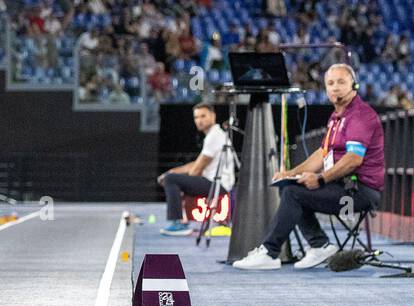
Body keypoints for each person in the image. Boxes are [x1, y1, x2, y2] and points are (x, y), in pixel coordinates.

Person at [234, 64, 384, 270]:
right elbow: (323, 154)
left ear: (354, 85)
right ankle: (319, 245)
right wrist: (291, 173)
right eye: (330, 83)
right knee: (290, 186)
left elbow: (353, 160)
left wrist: (321, 179)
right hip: (343, 186)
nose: (335, 88)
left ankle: (270, 252)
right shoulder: (337, 116)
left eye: (341, 82)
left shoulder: (360, 115)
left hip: (358, 193)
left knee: (294, 193)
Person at [157, 102, 236, 235]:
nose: (199, 120)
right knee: (173, 177)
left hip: (218, 186)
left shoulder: (214, 137)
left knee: (171, 180)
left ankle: (179, 223)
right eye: (196, 117)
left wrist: (173, 177)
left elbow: (196, 170)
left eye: (203, 116)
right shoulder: (215, 135)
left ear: (213, 116)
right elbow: (197, 163)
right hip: (217, 183)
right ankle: (183, 220)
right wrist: (174, 172)